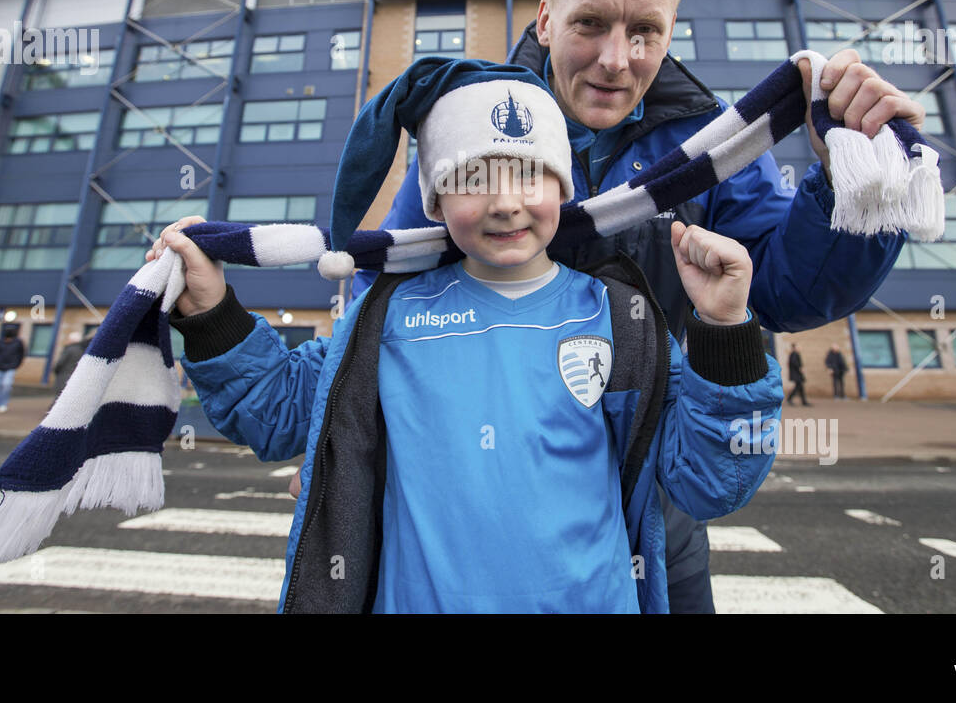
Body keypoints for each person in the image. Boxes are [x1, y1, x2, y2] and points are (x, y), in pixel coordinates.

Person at [352, 0, 924, 612]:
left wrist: (852, 179)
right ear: (544, 19)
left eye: (644, 31)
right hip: (484, 502)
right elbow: (390, 288)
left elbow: (783, 291)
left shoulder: (717, 140)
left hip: (655, 510)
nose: (616, 58)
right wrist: (343, 444)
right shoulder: (472, 122)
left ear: (670, 32)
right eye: (590, 22)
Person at [153, 62, 783, 612]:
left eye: (529, 175)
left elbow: (710, 480)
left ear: (562, 187)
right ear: (434, 199)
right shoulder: (388, 317)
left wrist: (726, 329)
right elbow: (277, 410)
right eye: (474, 177)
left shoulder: (622, 318)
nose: (506, 203)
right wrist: (213, 312)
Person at [0, 327, 26, 414]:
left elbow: (21, 354)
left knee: (6, 385)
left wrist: (16, 365)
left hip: (10, 368)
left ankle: (2, 404)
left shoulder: (18, 343)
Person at [50, 329, 94, 409]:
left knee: (59, 396)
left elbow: (60, 363)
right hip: (74, 376)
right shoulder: (83, 350)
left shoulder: (69, 349)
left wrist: (56, 371)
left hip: (64, 375)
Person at [787, 342, 810, 406]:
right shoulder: (794, 354)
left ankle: (804, 401)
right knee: (798, 387)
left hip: (797, 373)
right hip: (796, 374)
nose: (800, 348)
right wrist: (800, 368)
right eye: (798, 347)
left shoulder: (795, 354)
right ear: (795, 348)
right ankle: (790, 398)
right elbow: (794, 363)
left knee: (800, 387)